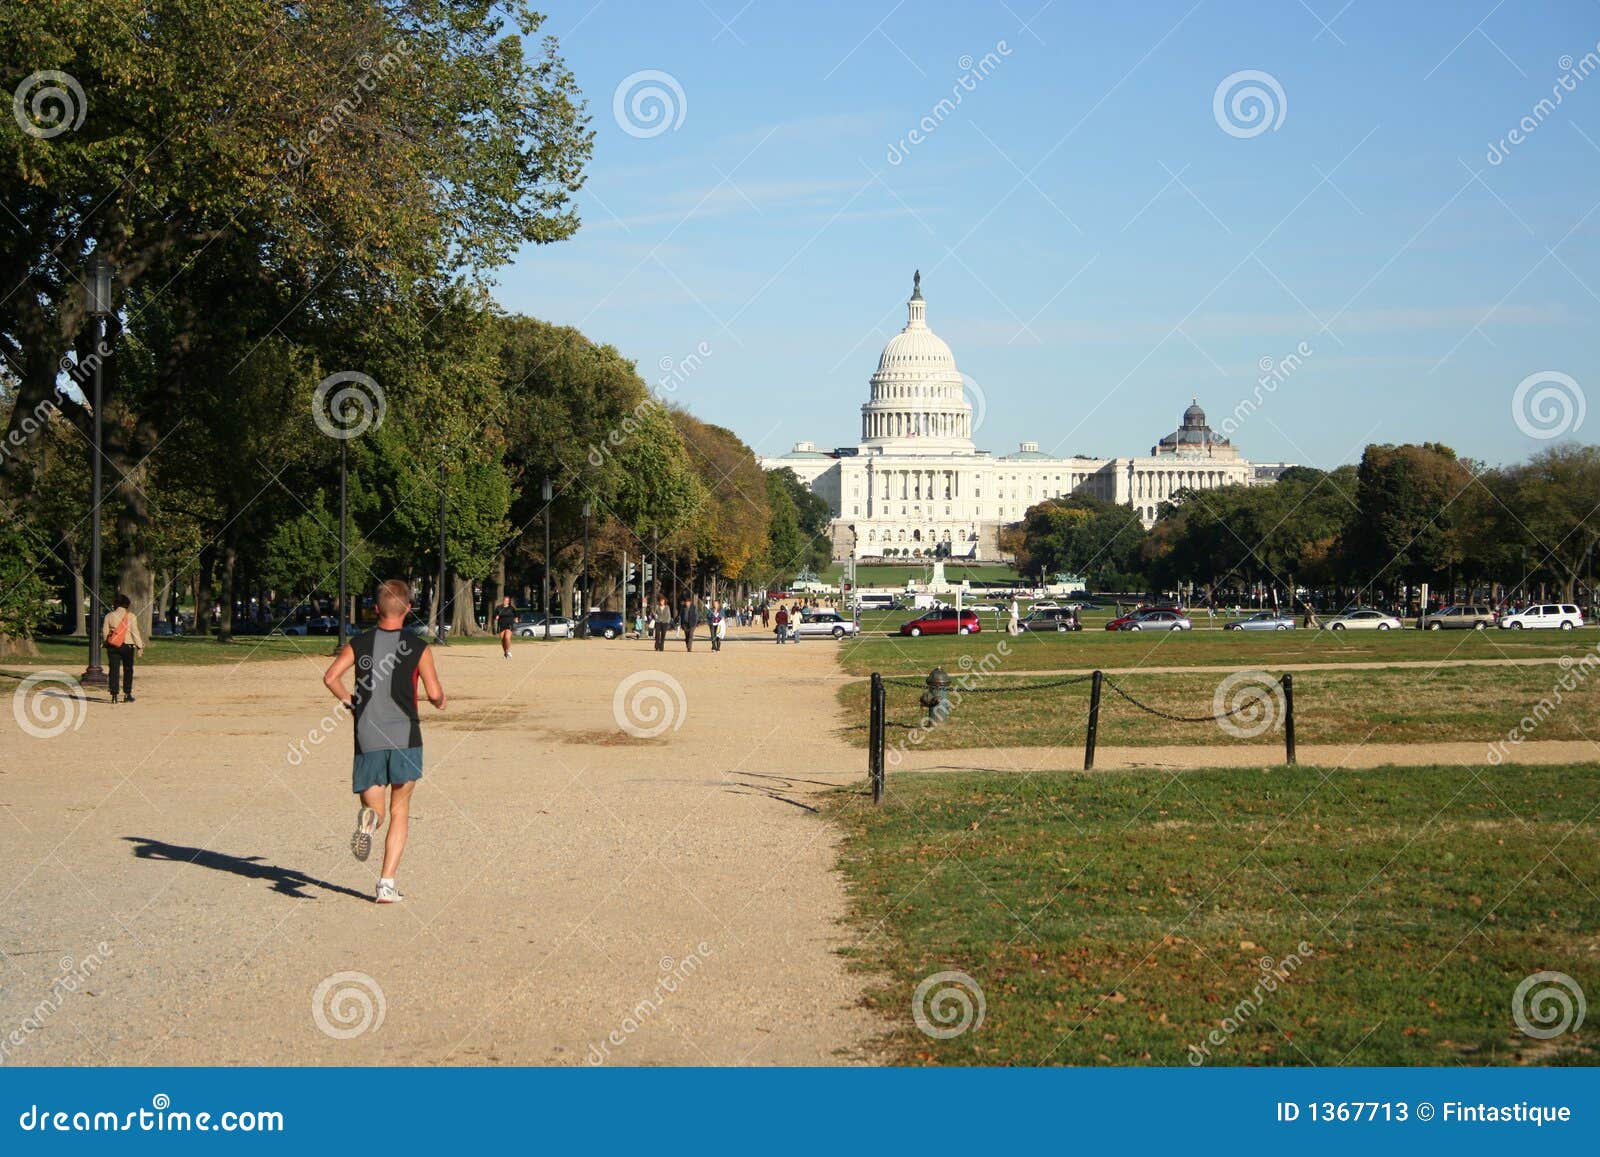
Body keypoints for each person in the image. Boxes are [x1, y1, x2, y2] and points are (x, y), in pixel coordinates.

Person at [323, 579, 446, 904]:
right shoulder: (418, 647)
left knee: (375, 809)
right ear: (408, 609)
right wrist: (440, 700)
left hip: (368, 735)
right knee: (400, 811)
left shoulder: (358, 643)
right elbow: (434, 693)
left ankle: (369, 822)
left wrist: (351, 701)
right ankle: (386, 884)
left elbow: (330, 676)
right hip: (405, 735)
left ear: (376, 609)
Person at [102, 593, 145, 703]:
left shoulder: (109, 616)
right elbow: (135, 632)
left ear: (115, 604)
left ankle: (114, 695)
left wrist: (106, 642)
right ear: (127, 604)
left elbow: (105, 633)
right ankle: (127, 694)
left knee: (114, 670)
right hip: (127, 645)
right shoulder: (131, 616)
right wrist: (139, 646)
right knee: (128, 669)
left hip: (113, 646)